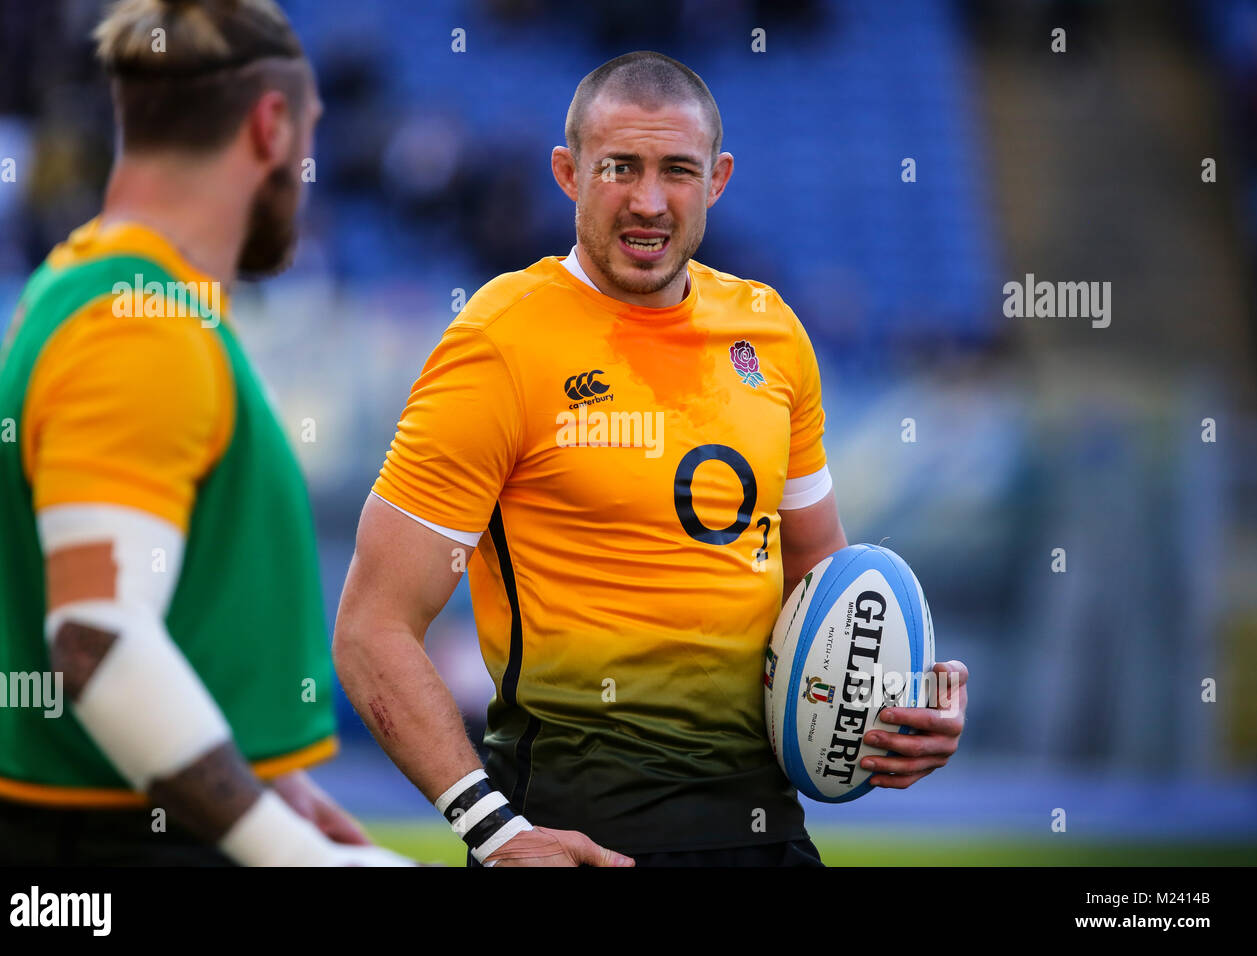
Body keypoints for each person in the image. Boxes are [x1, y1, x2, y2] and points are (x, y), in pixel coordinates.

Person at [333, 50, 968, 867]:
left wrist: (907, 698)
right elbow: (371, 627)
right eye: (619, 168)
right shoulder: (501, 340)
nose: (648, 202)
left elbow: (827, 587)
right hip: (576, 843)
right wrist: (494, 833)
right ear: (567, 173)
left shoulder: (770, 335)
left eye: (677, 170)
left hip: (766, 840)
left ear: (719, 179)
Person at [0, 0, 407, 866]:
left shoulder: (81, 284)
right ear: (272, 125)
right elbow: (98, 637)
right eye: (309, 137)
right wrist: (295, 854)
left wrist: (260, 779)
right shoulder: (139, 326)